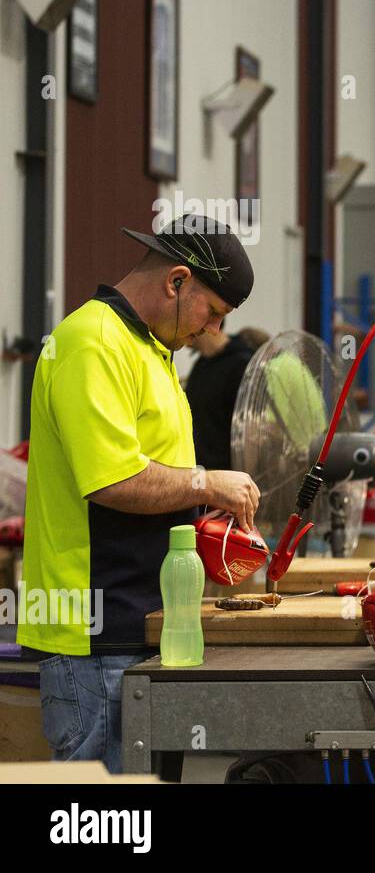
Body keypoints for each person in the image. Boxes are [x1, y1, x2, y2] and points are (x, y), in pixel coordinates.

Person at [19, 215, 260, 773]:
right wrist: (208, 482)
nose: (210, 330)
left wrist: (212, 528)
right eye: (213, 312)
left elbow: (159, 479)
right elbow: (112, 480)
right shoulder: (93, 342)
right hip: (96, 633)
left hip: (142, 624)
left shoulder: (151, 350)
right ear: (177, 281)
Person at [187, 320, 258, 471]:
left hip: (227, 476)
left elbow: (251, 434)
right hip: (199, 473)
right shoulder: (201, 364)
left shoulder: (242, 365)